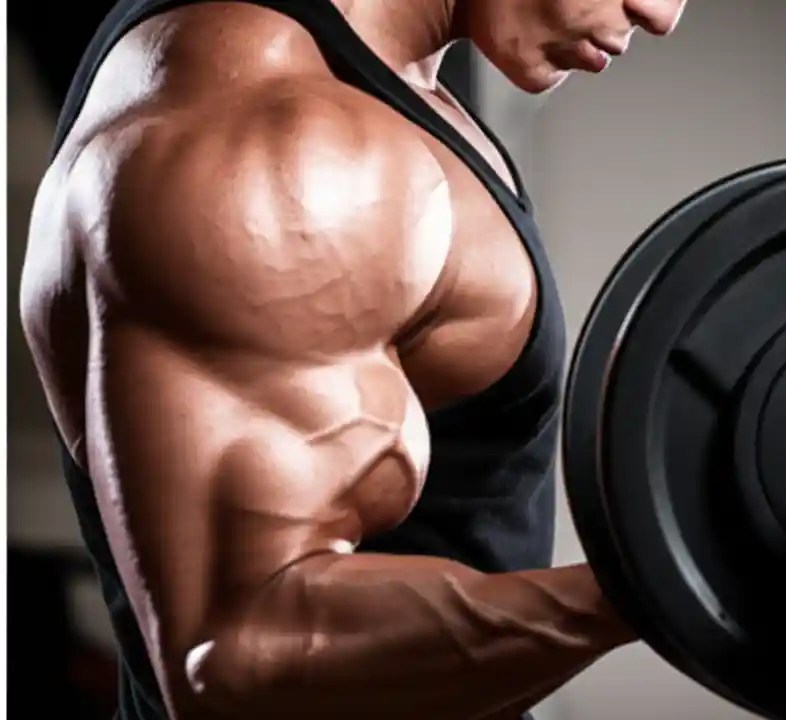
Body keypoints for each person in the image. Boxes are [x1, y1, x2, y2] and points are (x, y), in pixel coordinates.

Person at [19, 0, 686, 718]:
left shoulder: (379, 93)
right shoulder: (284, 145)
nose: (658, 14)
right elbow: (242, 655)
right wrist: (655, 588)